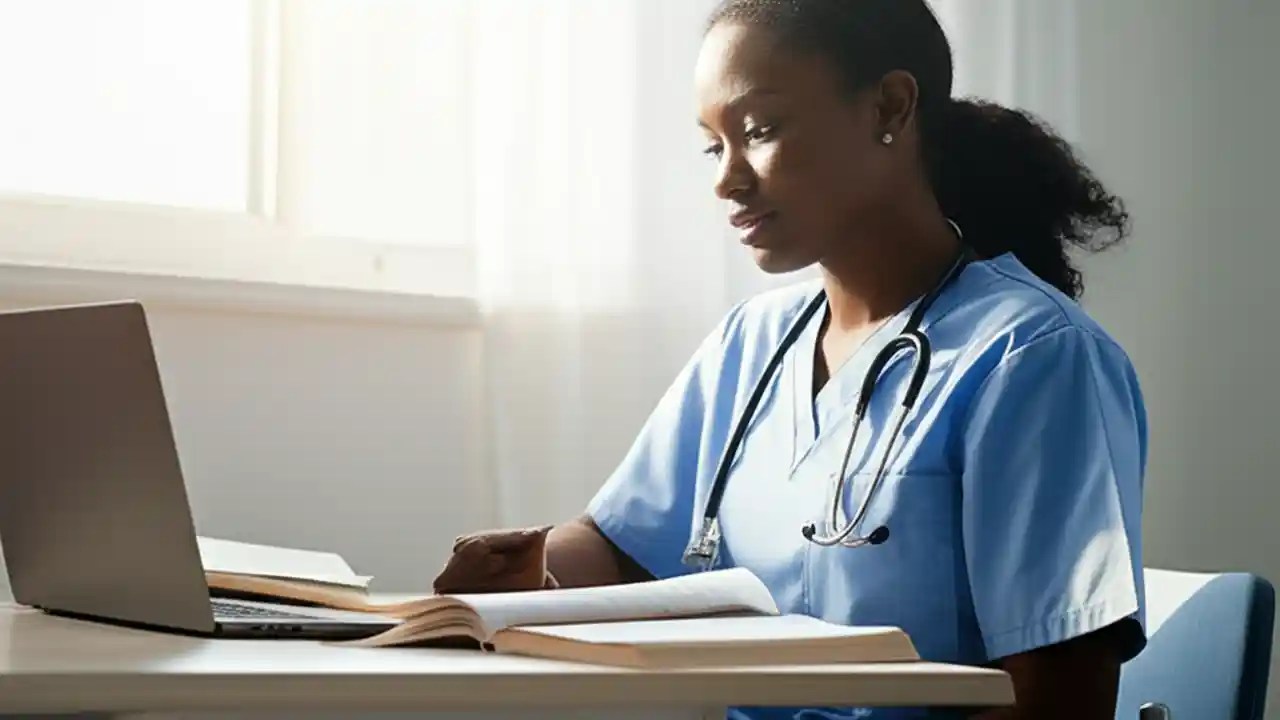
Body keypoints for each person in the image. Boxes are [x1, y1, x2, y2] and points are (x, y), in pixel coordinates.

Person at [433, 0, 1147, 718]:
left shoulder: (1031, 357)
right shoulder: (753, 343)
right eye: (714, 146)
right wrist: (530, 572)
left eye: (760, 131)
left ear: (888, 108)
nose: (727, 179)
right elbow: (622, 548)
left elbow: (1061, 698)